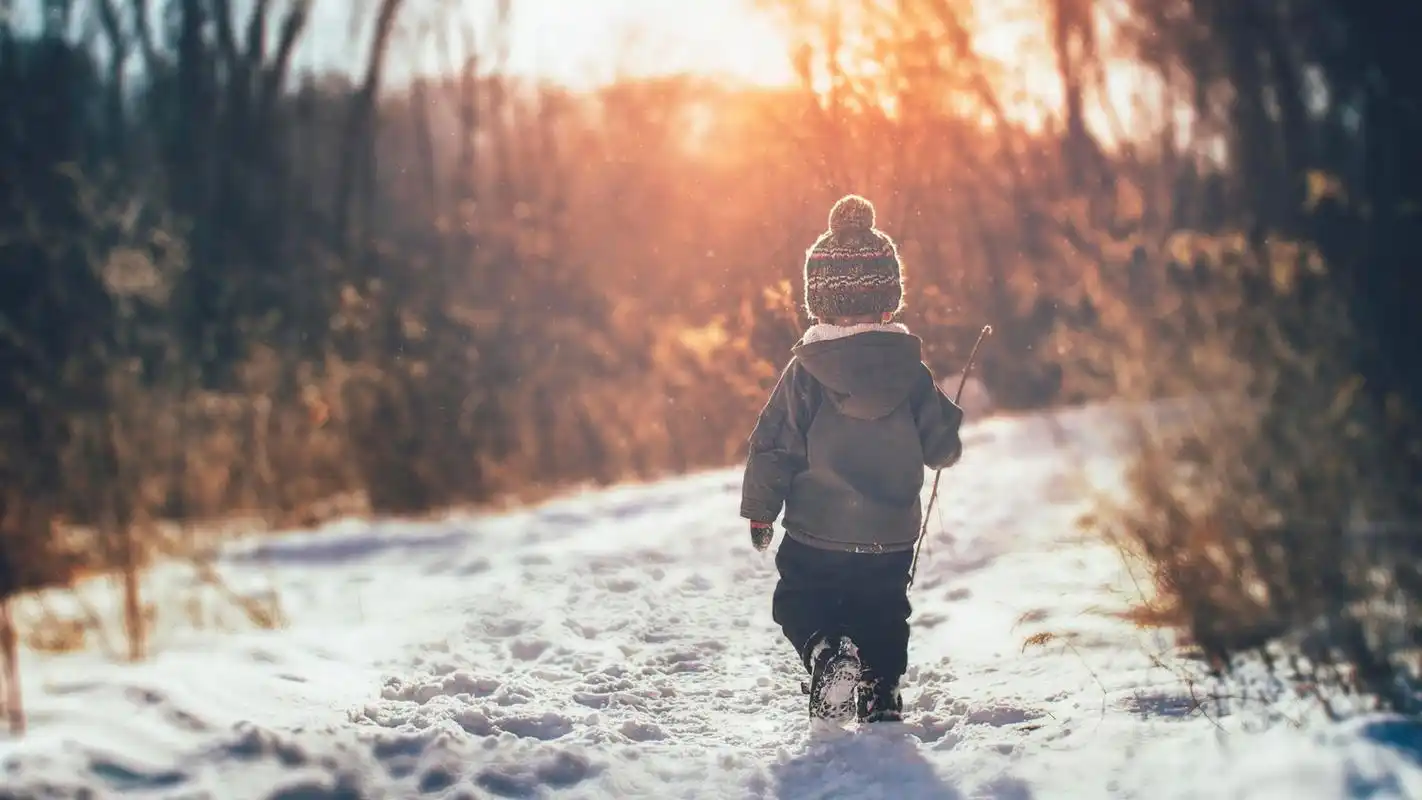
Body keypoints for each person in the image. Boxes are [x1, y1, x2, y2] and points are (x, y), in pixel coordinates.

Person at [740, 194, 965, 724]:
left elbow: (775, 444)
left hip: (816, 531)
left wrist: (760, 510)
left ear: (818, 305)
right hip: (890, 534)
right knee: (884, 611)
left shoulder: (805, 372)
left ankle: (826, 653)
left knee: (799, 599)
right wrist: (949, 429)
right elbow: (941, 449)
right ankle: (881, 690)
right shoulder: (912, 372)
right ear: (890, 304)